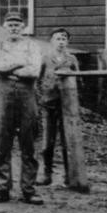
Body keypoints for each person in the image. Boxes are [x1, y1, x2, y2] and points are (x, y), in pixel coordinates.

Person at [0, 11, 46, 205]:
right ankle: (2, 188)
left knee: (28, 140)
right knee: (3, 140)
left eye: (17, 25)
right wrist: (20, 63)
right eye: (10, 24)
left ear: (23, 27)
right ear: (5, 27)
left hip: (26, 93)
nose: (14, 28)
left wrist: (9, 68)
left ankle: (29, 189)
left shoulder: (32, 45)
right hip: (4, 93)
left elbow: (34, 70)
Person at [37, 28, 79, 186]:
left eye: (63, 39)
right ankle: (46, 174)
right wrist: (42, 98)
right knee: (48, 141)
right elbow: (38, 80)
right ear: (51, 41)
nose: (61, 42)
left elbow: (78, 80)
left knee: (67, 140)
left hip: (67, 106)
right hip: (48, 105)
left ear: (67, 42)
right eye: (57, 39)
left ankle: (69, 176)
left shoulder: (72, 59)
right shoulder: (45, 58)